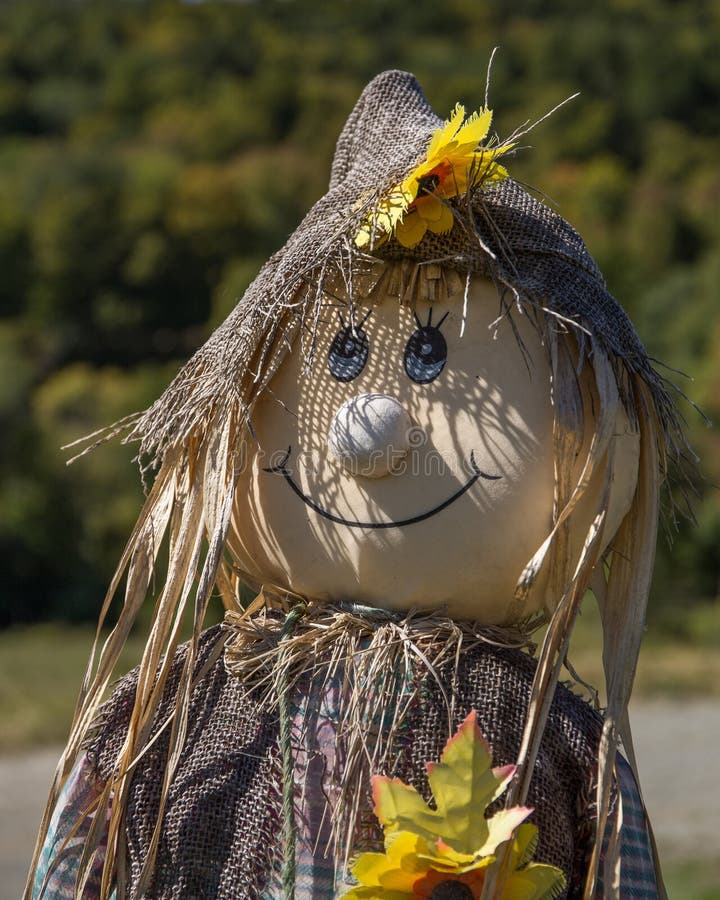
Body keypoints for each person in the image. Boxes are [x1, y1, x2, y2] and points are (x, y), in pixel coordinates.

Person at [29, 70, 681, 899]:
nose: (365, 424)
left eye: (428, 358)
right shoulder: (167, 711)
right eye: (339, 359)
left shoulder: (553, 737)